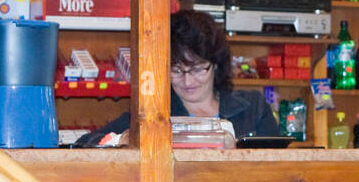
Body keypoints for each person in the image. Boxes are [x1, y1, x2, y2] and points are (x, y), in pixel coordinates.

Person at [77, 10, 280, 146]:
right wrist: (121, 140)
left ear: (216, 64)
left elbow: (277, 166)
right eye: (176, 70)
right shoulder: (152, 114)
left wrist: (237, 152)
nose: (188, 81)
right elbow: (84, 143)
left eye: (198, 69)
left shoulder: (253, 107)